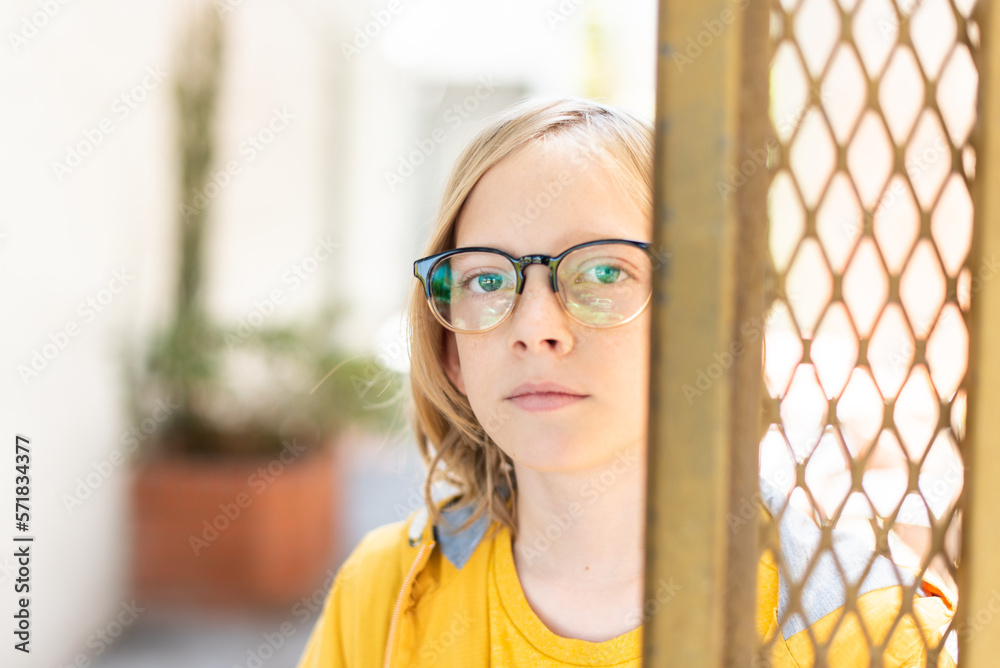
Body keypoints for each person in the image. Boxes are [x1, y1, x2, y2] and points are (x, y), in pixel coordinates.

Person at [296, 98, 957, 667]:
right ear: (451, 354)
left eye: (604, 273)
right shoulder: (385, 597)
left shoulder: (869, 633)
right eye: (487, 279)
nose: (535, 328)